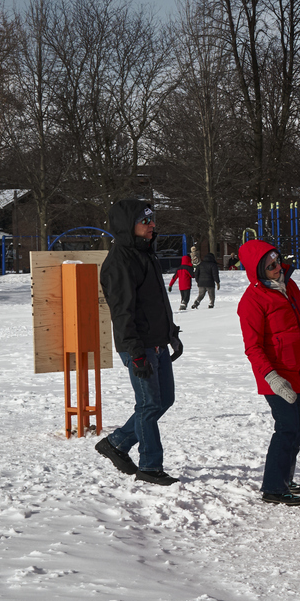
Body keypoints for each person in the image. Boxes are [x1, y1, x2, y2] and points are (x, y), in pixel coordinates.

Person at [94, 200, 182, 485]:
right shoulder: (120, 261)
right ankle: (150, 466)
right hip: (138, 345)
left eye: (152, 220)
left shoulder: (145, 254)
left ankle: (117, 443)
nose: (152, 225)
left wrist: (171, 334)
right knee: (148, 404)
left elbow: (157, 303)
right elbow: (123, 313)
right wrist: (136, 352)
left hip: (156, 341)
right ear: (128, 225)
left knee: (163, 400)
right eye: (146, 221)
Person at [238, 238, 300, 506]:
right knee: (287, 428)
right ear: (257, 270)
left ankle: (285, 477)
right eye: (270, 266)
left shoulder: (290, 286)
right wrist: (273, 378)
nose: (277, 268)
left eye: (277, 261)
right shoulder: (251, 301)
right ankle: (272, 488)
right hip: (276, 377)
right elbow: (253, 347)